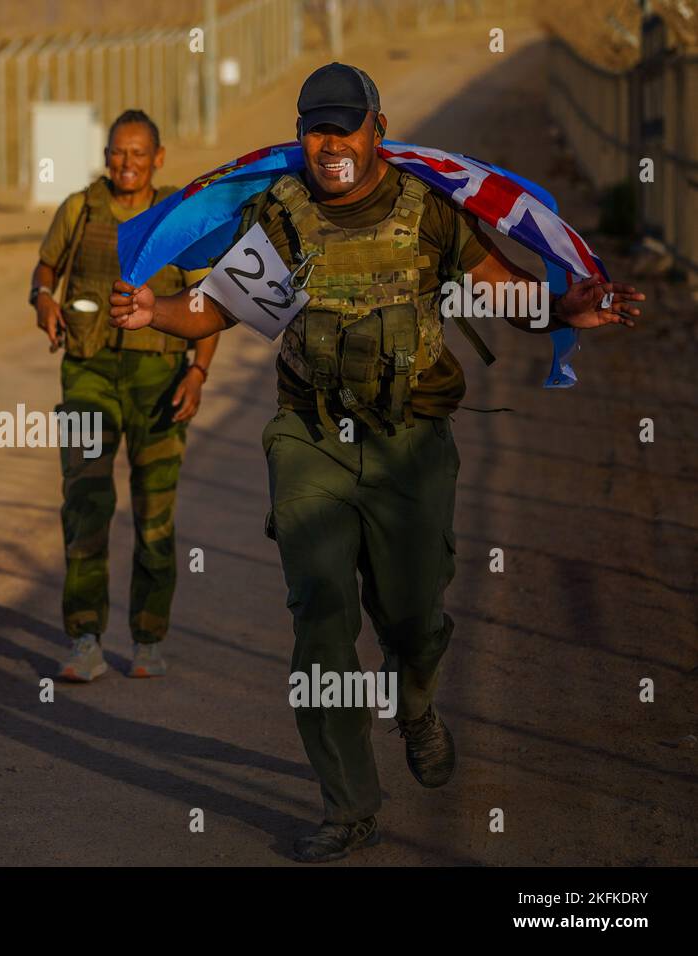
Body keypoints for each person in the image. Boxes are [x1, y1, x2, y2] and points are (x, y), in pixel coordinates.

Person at [109, 64, 644, 860]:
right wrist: (158, 311)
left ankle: (416, 705)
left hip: (410, 444)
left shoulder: (429, 213)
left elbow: (499, 291)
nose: (332, 145)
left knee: (414, 620)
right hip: (312, 440)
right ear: (302, 137)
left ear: (376, 128)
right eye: (317, 129)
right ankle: (349, 807)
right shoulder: (284, 220)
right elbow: (215, 309)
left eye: (346, 127)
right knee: (320, 622)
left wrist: (563, 305)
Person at [31, 109, 220, 683]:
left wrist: (198, 374)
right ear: (105, 154)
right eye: (117, 152)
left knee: (154, 515)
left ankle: (147, 638)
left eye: (138, 153)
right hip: (88, 373)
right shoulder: (80, 210)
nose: (126, 163)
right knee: (85, 504)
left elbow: (207, 304)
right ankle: (84, 638)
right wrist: (42, 298)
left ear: (158, 158)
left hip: (160, 383)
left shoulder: (178, 218)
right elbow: (45, 268)